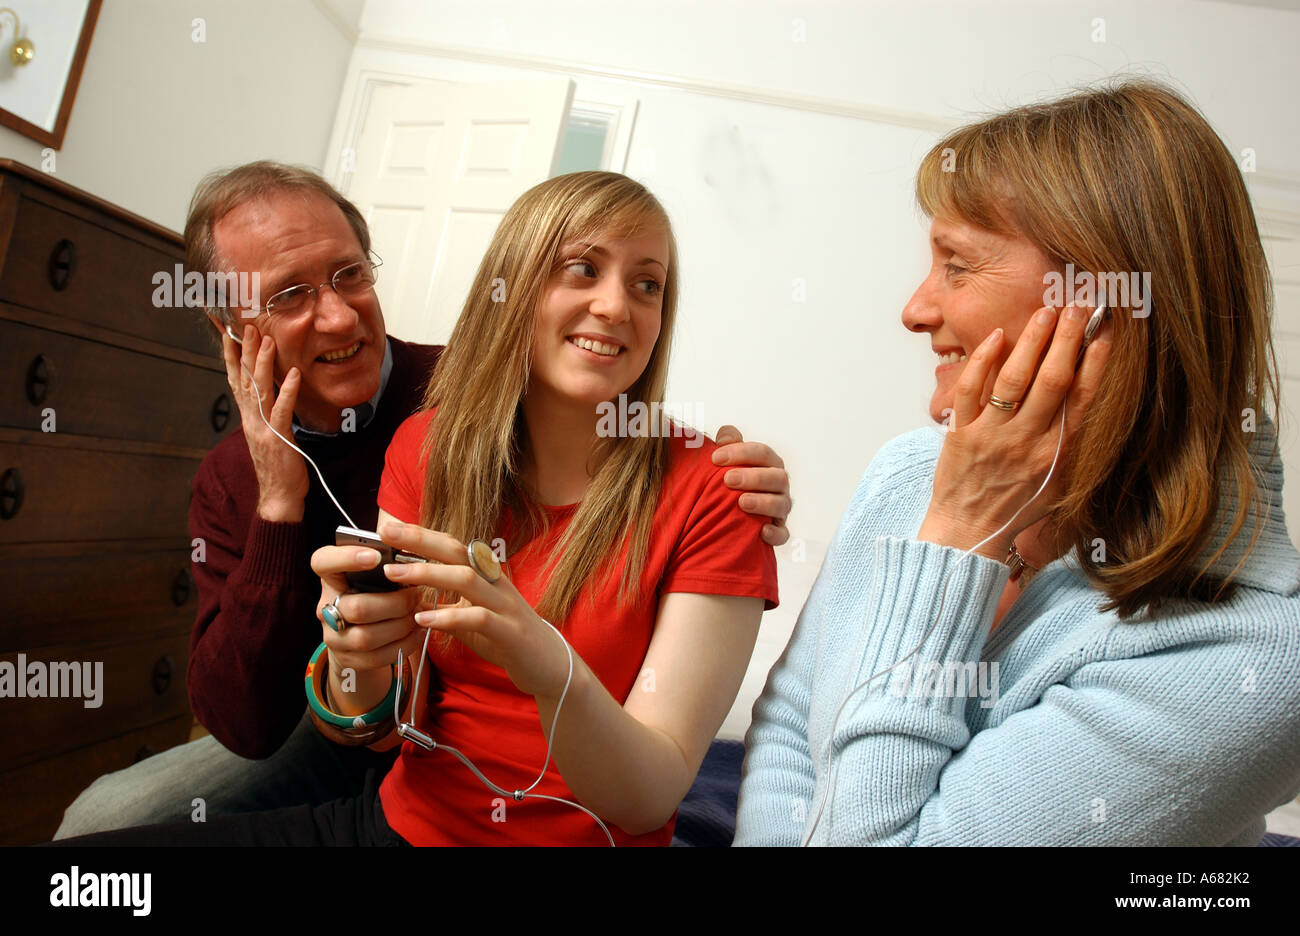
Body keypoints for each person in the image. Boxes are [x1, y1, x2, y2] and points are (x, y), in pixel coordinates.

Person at [54, 163, 792, 839]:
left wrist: (537, 652)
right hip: (373, 767)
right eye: (290, 295)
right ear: (231, 333)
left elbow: (643, 794)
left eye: (350, 275)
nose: (340, 318)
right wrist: (329, 607)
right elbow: (281, 719)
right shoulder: (373, 453)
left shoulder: (452, 396)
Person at [735, 80, 1300, 846]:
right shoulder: (908, 472)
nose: (915, 310)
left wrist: (958, 535)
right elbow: (790, 733)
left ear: (1103, 306)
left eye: (957, 268)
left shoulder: (1254, 657)